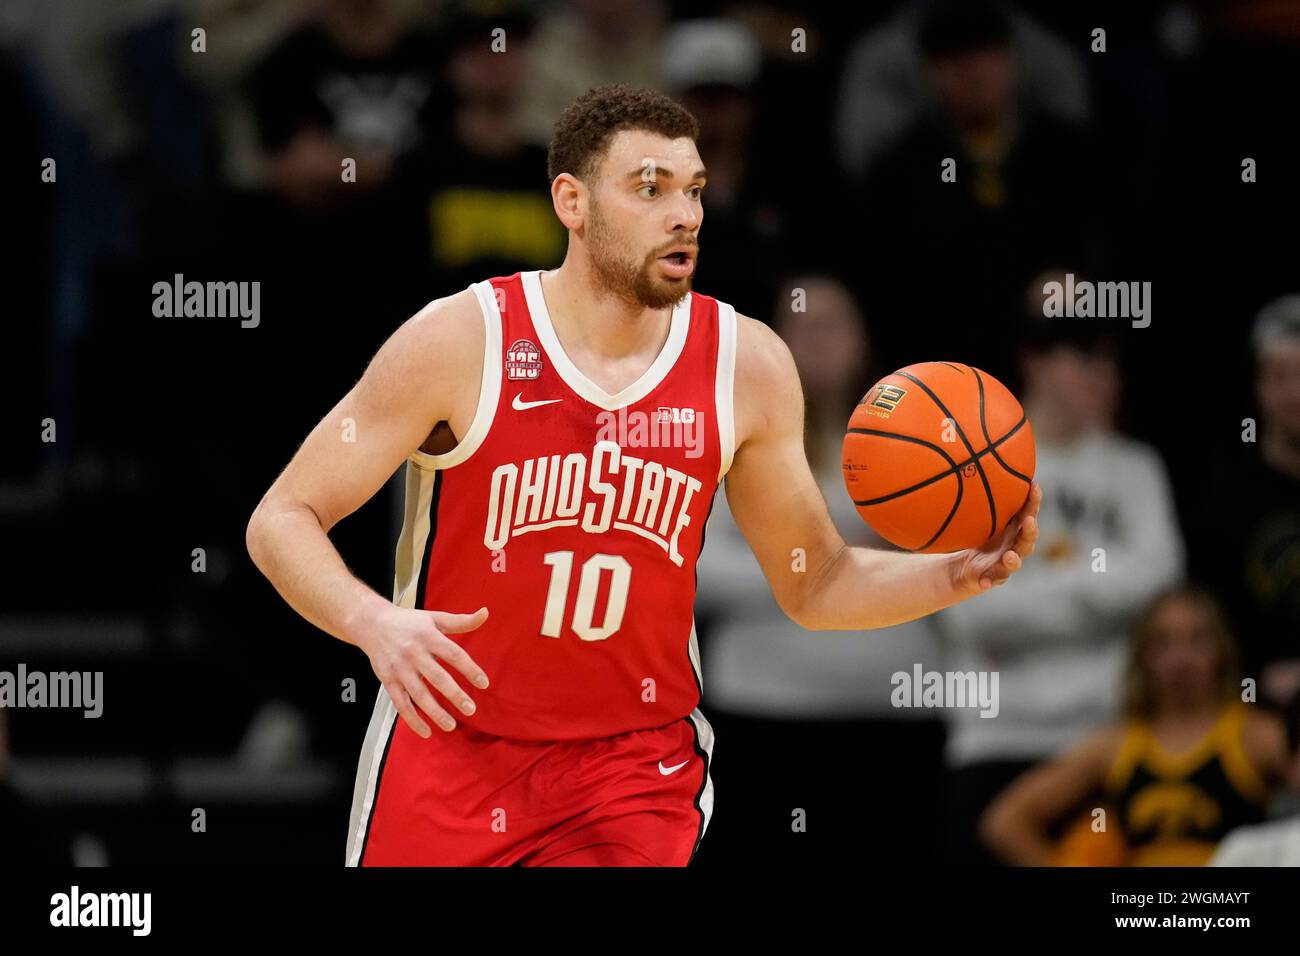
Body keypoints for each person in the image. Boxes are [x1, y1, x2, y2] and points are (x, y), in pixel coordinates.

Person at [245, 84, 1041, 867]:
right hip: (451, 749)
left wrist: (954, 575)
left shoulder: (746, 363)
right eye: (650, 188)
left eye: (692, 189)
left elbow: (817, 581)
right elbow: (283, 517)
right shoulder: (460, 341)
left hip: (631, 769)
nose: (685, 214)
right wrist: (374, 623)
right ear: (572, 202)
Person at [937, 298, 1184, 866]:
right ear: (1034, 361)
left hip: (1107, 739)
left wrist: (1029, 581)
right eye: (1082, 360)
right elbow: (969, 608)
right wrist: (1099, 591)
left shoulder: (1135, 467)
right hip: (995, 739)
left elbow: (1159, 581)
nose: (1101, 378)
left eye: (1109, 363)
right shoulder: (975, 462)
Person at [980, 587, 1289, 866]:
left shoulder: (1256, 735)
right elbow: (1006, 822)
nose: (1181, 659)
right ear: (1143, 656)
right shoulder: (1115, 744)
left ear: (1221, 648)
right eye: (1163, 643)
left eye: (1198, 640)